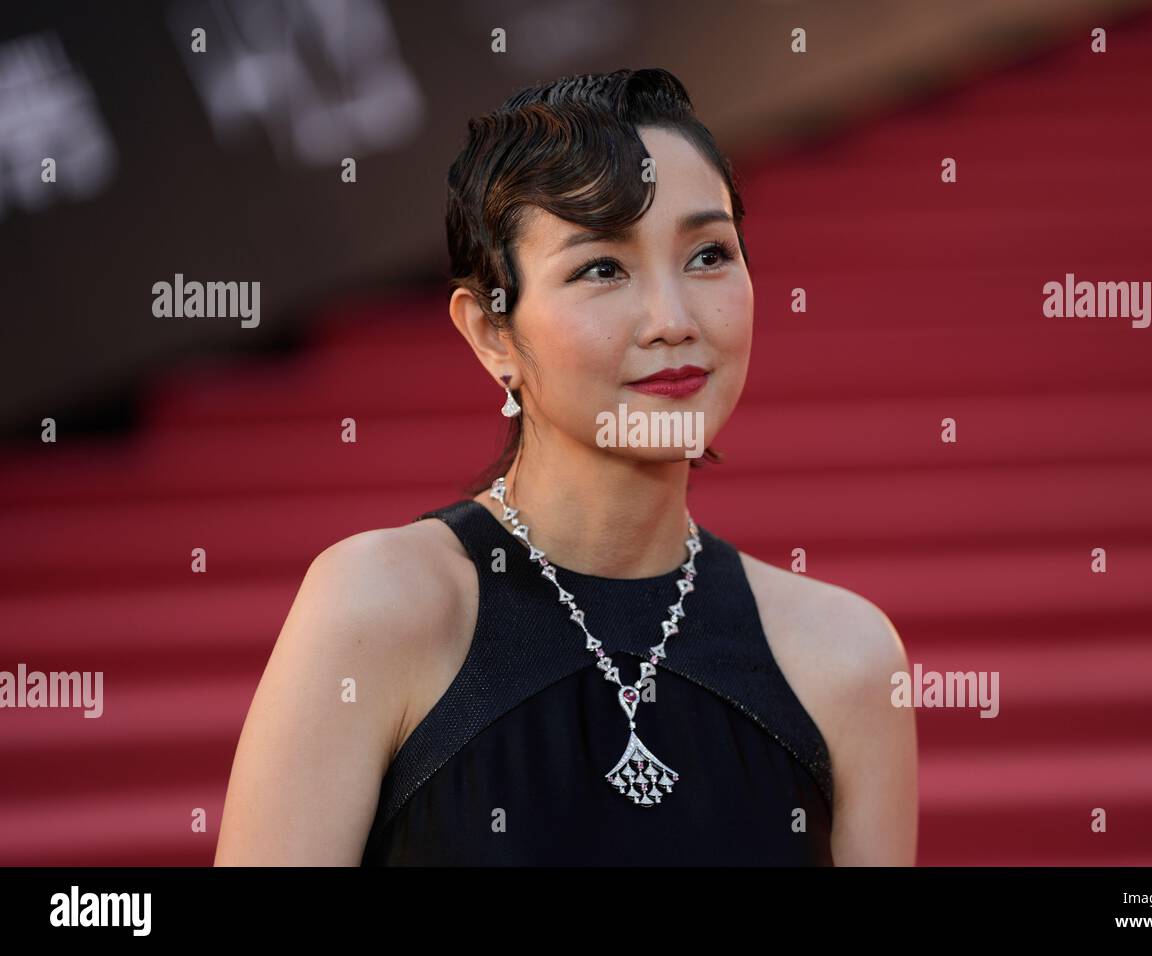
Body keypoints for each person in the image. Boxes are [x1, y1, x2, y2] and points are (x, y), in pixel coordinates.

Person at [214, 67, 916, 866]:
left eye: (709, 254)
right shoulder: (382, 608)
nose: (672, 320)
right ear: (491, 334)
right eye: (601, 269)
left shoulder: (846, 657)